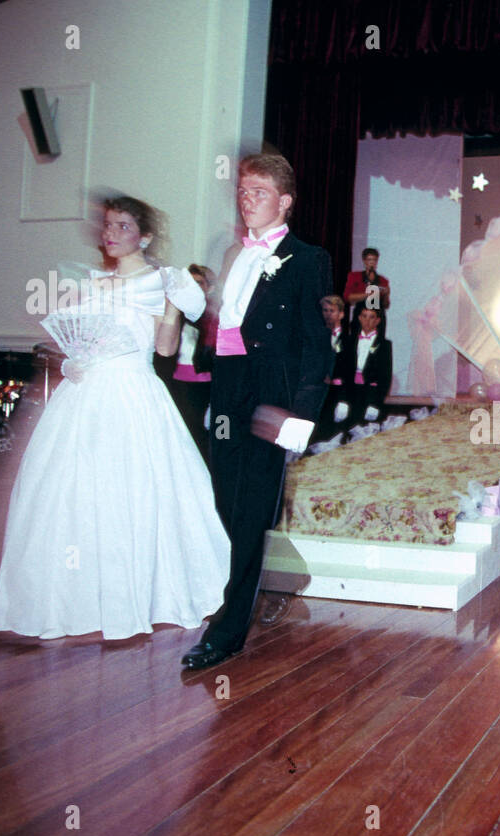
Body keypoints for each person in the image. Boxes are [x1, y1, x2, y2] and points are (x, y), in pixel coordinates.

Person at [0, 195, 230, 639]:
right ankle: (70, 599)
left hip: (133, 392)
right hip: (85, 394)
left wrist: (172, 306)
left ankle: (138, 596)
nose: (111, 234)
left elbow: (167, 350)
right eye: (108, 226)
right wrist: (72, 364)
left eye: (123, 227)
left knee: (132, 490)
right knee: (66, 492)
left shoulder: (161, 281)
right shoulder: (94, 283)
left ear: (145, 236)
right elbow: (84, 342)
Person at [181, 153, 333, 671]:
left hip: (271, 397)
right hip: (226, 389)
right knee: (224, 498)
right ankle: (252, 588)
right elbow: (224, 326)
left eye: (260, 192)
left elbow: (317, 345)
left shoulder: (307, 258)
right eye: (243, 192)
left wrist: (302, 414)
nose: (248, 200)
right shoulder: (232, 254)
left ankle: (229, 629)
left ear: (285, 200)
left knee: (252, 506)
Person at [163, 263, 217, 464]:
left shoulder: (214, 314)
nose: (194, 287)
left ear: (208, 287)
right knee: (180, 431)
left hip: (205, 384)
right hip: (176, 382)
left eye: (199, 283)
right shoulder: (173, 311)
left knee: (212, 432)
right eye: (191, 283)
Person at [345, 303, 392, 427]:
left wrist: (375, 404)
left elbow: (385, 377)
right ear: (359, 318)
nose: (367, 321)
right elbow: (342, 372)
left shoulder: (384, 345)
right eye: (364, 316)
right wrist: (342, 401)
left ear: (378, 321)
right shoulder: (349, 341)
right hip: (351, 393)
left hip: (370, 395)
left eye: (371, 317)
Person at [315, 294, 354, 442]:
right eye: (325, 310)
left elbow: (350, 371)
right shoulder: (316, 338)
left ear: (341, 314)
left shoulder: (349, 340)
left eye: (332, 311)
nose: (328, 314)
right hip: (317, 393)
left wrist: (344, 400)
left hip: (338, 395)